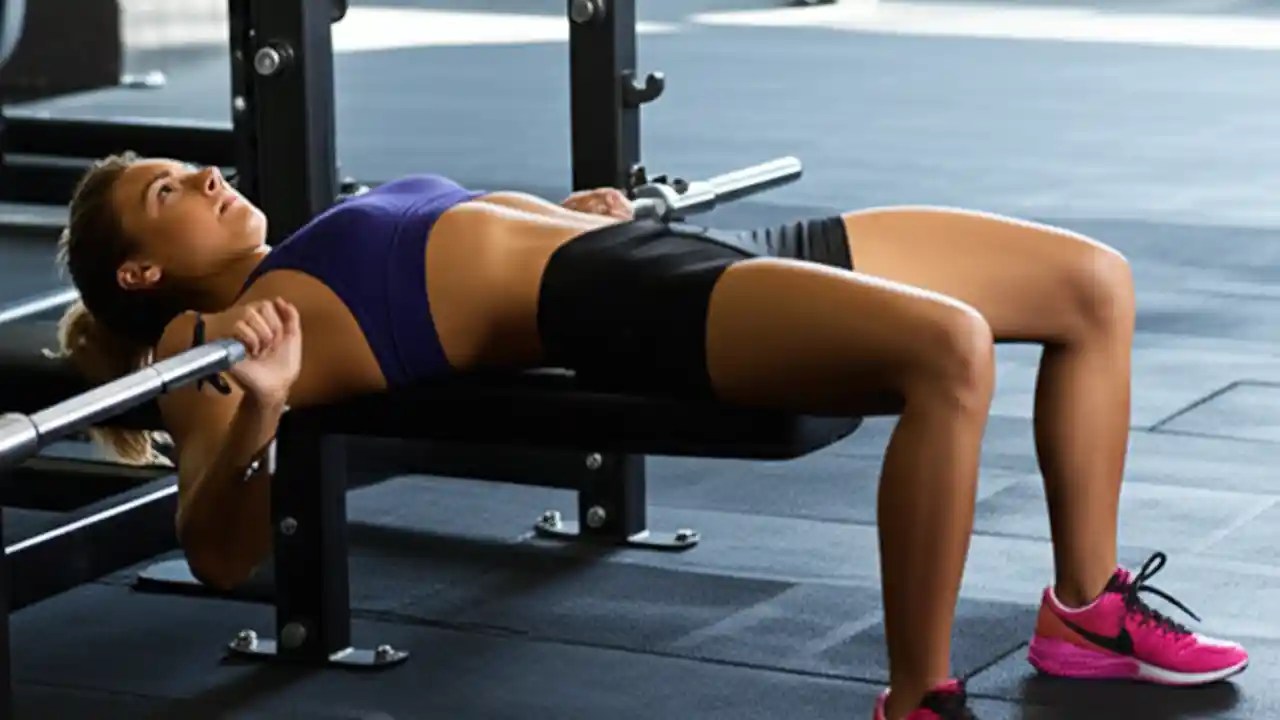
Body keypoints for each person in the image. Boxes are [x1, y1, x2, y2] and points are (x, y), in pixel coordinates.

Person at [54, 153, 1247, 720]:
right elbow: (217, 553)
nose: (204, 174)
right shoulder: (208, 340)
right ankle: (915, 696)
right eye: (168, 190)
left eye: (189, 166)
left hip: (640, 257)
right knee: (947, 348)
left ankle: (1086, 610)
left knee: (1091, 283)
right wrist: (262, 401)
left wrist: (549, 212)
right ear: (143, 269)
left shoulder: (304, 235)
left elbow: (462, 242)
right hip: (611, 305)